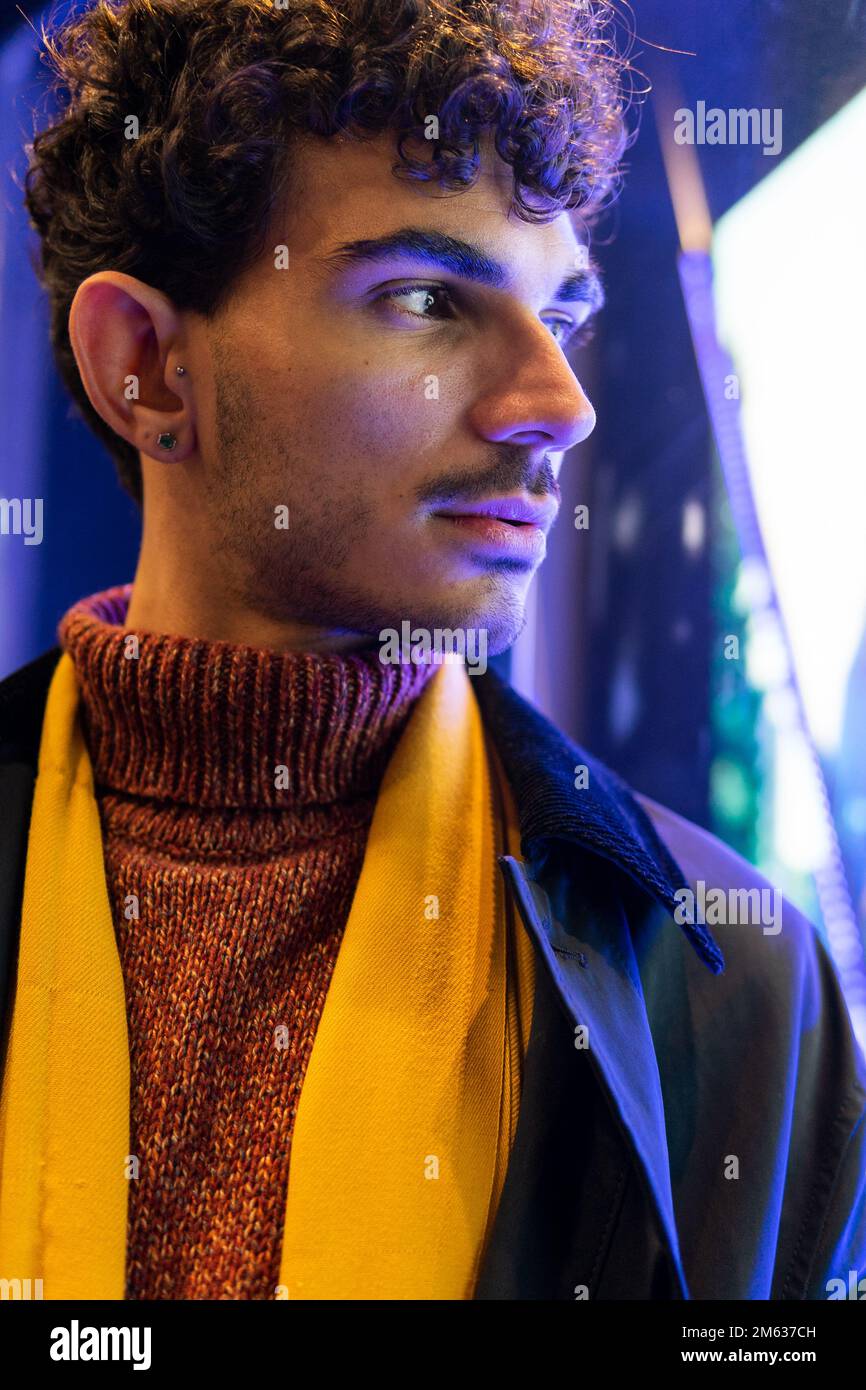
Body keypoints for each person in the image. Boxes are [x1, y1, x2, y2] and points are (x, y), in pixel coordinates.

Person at [0, 0, 863, 1302]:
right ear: (148, 370)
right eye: (423, 299)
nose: (558, 406)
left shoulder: (732, 990)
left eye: (557, 312)